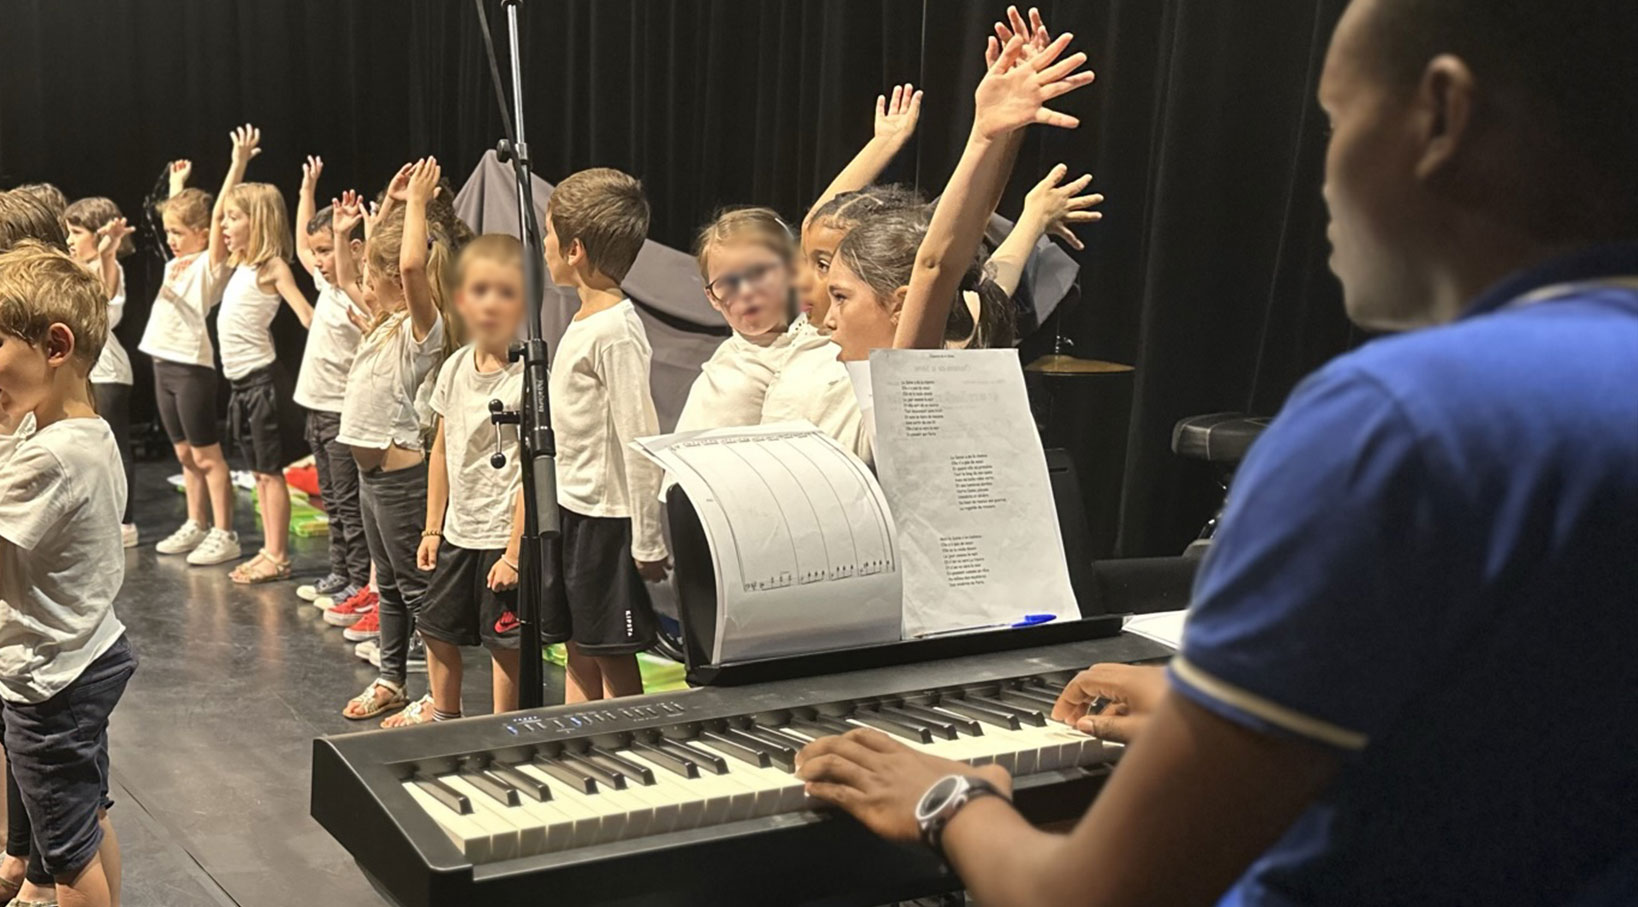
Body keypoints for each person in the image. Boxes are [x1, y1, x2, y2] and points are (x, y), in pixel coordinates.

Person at [796, 2, 1638, 904]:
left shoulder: (1394, 422)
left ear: (1440, 116)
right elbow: (1519, 719)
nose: (1322, 177)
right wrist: (1215, 709)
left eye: (1338, 120)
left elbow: (1087, 895)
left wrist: (949, 797)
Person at [0, 241, 139, 907]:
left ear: (55, 346)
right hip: (87, 654)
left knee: (66, 857)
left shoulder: (48, 458)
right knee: (86, 821)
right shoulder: (83, 430)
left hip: (46, 679)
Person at [540, 167, 669, 702]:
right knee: (578, 643)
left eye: (547, 234)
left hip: (606, 522)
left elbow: (639, 435)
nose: (541, 245)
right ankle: (578, 743)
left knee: (612, 652)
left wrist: (647, 537)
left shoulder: (617, 331)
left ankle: (628, 746)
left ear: (573, 250)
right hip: (573, 510)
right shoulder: (586, 320)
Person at [335, 159, 457, 722]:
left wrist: (412, 209)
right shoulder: (383, 322)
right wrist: (378, 212)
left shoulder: (421, 328)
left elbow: (409, 264)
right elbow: (357, 272)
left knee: (415, 590)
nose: (362, 283)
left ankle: (439, 696)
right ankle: (392, 679)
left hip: (403, 481)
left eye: (371, 276)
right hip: (371, 478)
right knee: (388, 586)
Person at [410, 234, 528, 726]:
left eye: (505, 292)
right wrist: (432, 527)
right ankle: (444, 716)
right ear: (462, 298)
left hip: (502, 535)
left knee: (505, 642)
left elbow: (539, 471)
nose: (491, 304)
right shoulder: (456, 367)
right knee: (435, 627)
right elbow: (441, 449)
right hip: (459, 530)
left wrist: (515, 553)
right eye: (479, 290)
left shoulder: (530, 375)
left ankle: (503, 731)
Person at [0, 189, 70, 907]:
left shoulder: (44, 362)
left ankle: (48, 873)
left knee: (46, 748)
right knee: (12, 730)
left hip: (41, 601)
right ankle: (21, 852)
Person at [215, 125, 315, 583]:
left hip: (261, 384)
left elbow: (306, 315)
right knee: (258, 472)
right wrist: (237, 165)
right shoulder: (239, 263)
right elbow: (218, 215)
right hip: (240, 385)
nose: (223, 225)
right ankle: (268, 550)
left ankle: (277, 556)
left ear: (256, 220)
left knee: (270, 473)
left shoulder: (273, 267)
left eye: (233, 218)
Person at [141, 157, 240, 567]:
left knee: (206, 455)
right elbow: (176, 216)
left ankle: (225, 532)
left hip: (191, 368)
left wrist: (235, 166)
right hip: (162, 362)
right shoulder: (175, 261)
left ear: (204, 235)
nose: (172, 240)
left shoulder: (210, 266)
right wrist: (178, 185)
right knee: (183, 455)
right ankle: (196, 523)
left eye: (179, 233)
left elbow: (217, 217)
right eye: (169, 233)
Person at [292, 155, 371, 609]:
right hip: (316, 408)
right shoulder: (327, 285)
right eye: (318, 252)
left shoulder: (352, 291)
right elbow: (304, 246)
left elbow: (336, 264)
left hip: (343, 414)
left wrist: (342, 240)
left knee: (348, 502)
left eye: (328, 251)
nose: (318, 261)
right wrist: (306, 192)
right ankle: (339, 571)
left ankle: (358, 580)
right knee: (332, 500)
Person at [795, 84, 924, 330]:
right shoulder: (808, 329)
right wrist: (885, 142)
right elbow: (813, 223)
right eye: (805, 261)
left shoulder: (857, 346)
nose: (800, 282)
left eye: (823, 266)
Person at [62, 197, 139, 547]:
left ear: (98, 235)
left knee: (114, 446)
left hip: (107, 372)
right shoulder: (72, 267)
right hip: (82, 372)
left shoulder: (107, 267)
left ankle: (125, 521)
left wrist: (107, 253)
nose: (70, 239)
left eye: (77, 232)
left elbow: (104, 298)